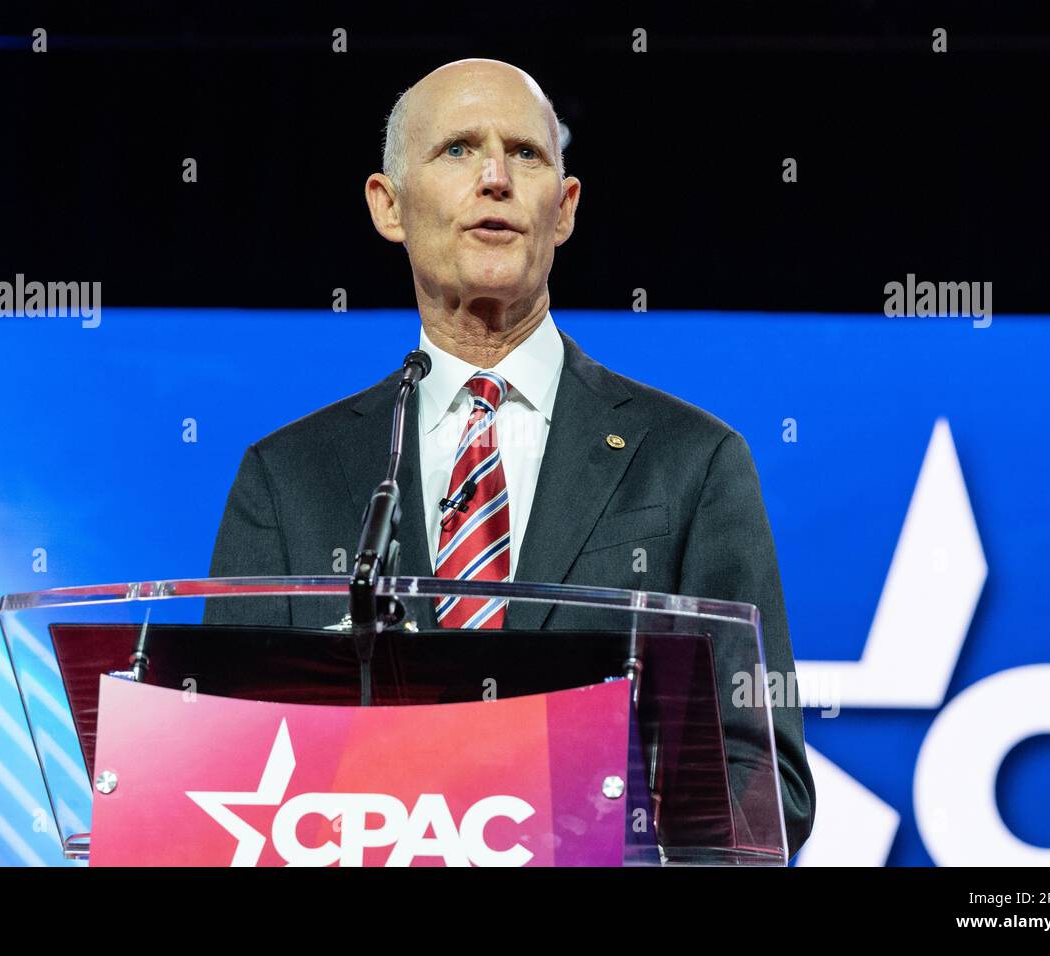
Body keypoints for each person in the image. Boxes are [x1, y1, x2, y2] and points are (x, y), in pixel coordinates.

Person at [206, 58, 815, 853]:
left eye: (525, 154)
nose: (495, 176)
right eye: (458, 149)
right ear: (387, 206)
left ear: (563, 210)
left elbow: (762, 777)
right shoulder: (287, 479)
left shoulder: (691, 462)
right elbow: (226, 767)